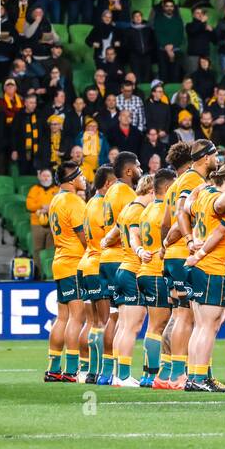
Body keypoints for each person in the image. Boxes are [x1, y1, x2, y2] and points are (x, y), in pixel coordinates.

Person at [184, 163, 225, 392]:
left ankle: (194, 376)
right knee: (208, 327)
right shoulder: (219, 200)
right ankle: (199, 378)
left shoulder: (202, 195)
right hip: (212, 267)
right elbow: (220, 232)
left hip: (200, 268)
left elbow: (186, 206)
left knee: (200, 326)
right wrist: (200, 254)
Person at [159, 140, 215, 389]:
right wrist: (189, 240)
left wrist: (164, 246)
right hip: (185, 252)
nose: (218, 158)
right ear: (205, 157)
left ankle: (173, 371)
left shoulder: (177, 182)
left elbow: (164, 221)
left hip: (173, 252)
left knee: (180, 314)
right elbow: (181, 214)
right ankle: (181, 374)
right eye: (215, 155)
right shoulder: (193, 180)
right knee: (186, 315)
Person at [97, 152, 143, 386]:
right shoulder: (126, 193)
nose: (140, 169)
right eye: (137, 166)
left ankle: (108, 371)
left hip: (108, 257)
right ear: (128, 171)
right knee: (121, 321)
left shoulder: (111, 192)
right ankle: (120, 372)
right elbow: (131, 225)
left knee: (112, 319)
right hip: (122, 256)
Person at [44, 163, 88, 382]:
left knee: (62, 317)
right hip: (74, 262)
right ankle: (71, 369)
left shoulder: (55, 200)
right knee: (76, 318)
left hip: (60, 260)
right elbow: (83, 236)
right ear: (72, 179)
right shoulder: (74, 201)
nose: (85, 178)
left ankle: (53, 367)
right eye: (81, 175)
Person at [135, 168, 176, 388]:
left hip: (145, 270)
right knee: (160, 325)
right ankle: (155, 374)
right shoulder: (165, 211)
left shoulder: (147, 209)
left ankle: (150, 372)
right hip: (158, 271)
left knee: (155, 325)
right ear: (169, 188)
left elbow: (139, 235)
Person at [77, 166, 114, 383]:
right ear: (108, 184)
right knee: (104, 322)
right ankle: (100, 372)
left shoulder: (89, 202)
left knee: (92, 322)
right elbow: (109, 234)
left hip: (86, 263)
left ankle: (89, 370)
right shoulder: (102, 205)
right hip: (99, 264)